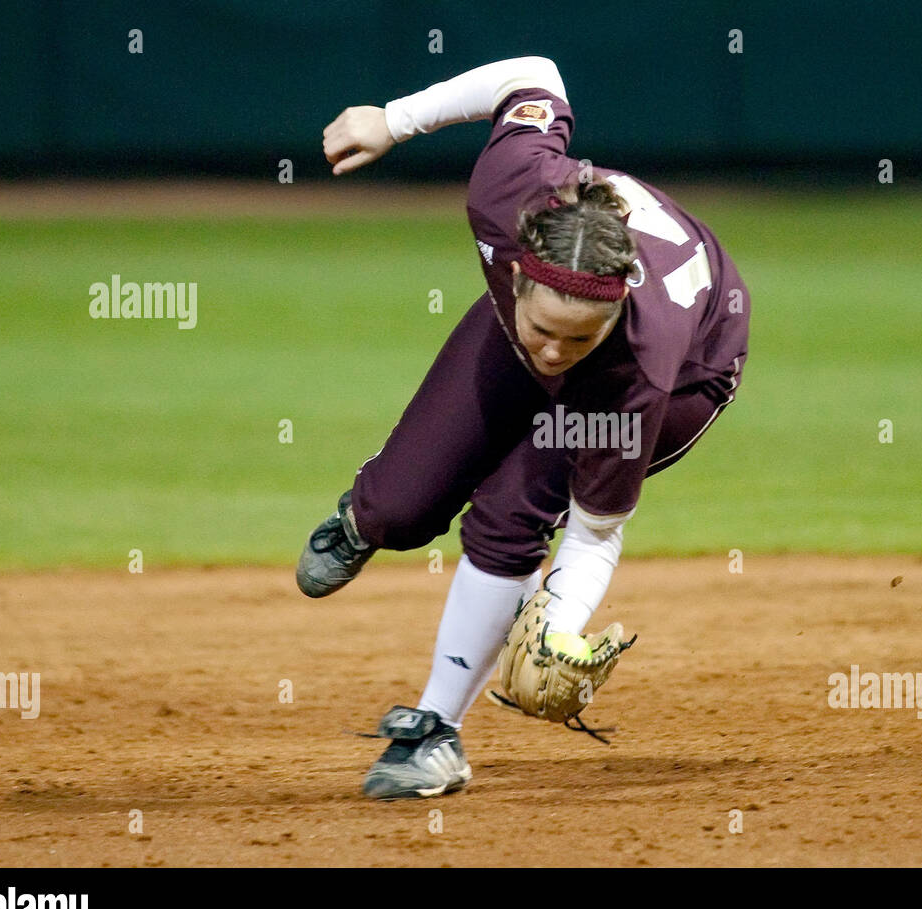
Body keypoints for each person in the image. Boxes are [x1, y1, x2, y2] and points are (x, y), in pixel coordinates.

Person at [303, 55, 750, 800]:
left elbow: (595, 530)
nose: (552, 353)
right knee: (401, 506)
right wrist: (394, 118)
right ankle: (367, 514)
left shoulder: (638, 371)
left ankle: (435, 734)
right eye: (544, 330)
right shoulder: (509, 191)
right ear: (516, 273)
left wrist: (560, 623)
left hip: (689, 371)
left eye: (578, 339)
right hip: (558, 310)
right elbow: (534, 72)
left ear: (613, 313)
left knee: (512, 513)